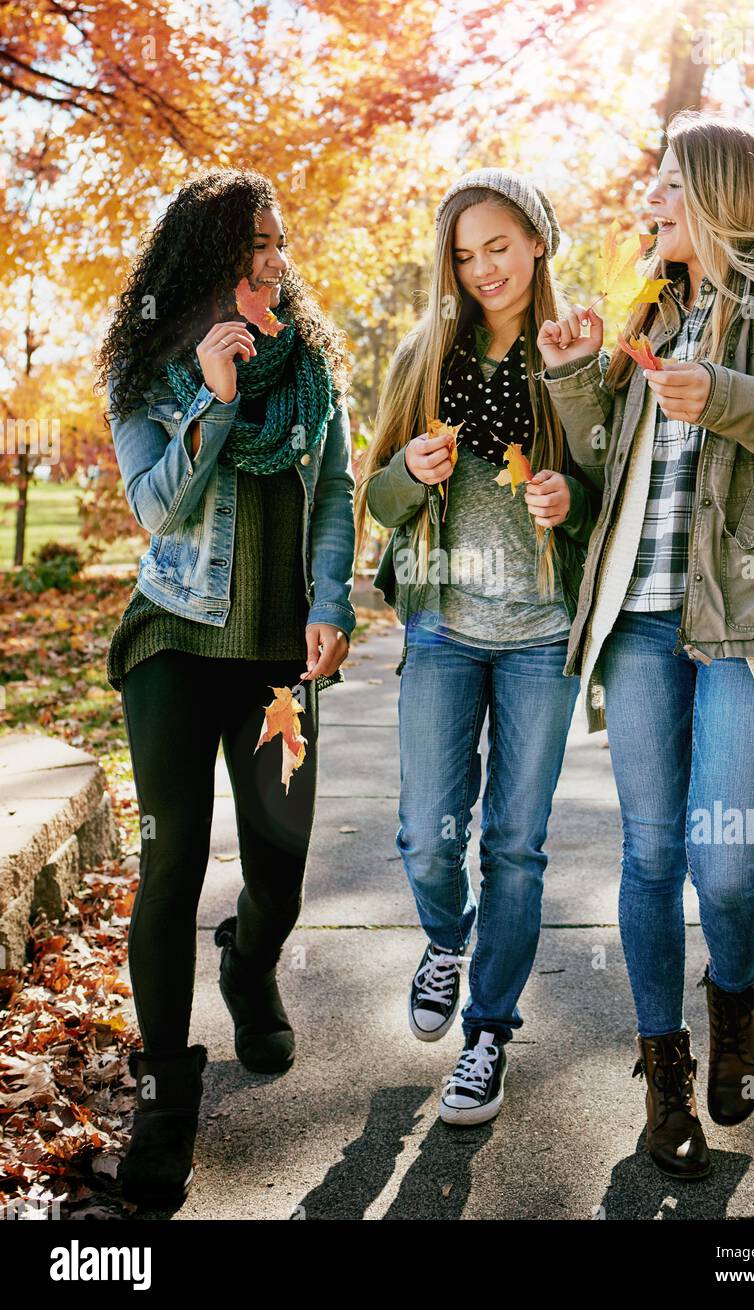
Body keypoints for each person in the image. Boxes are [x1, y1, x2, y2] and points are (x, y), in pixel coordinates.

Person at [537, 111, 754, 1178]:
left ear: (714, 190)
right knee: (652, 855)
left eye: (666, 181)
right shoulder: (658, 304)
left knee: (726, 861)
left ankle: (733, 1000)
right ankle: (663, 1078)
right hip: (644, 620)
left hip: (753, 618)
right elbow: (608, 469)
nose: (649, 198)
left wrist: (728, 399)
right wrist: (571, 378)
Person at [97, 169, 356, 1206]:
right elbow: (156, 511)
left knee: (282, 858)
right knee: (169, 859)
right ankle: (164, 1098)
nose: (275, 260)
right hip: (173, 647)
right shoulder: (149, 374)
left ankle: (248, 963)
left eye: (279, 242)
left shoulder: (311, 373)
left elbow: (333, 494)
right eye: (256, 243)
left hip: (275, 669)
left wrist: (329, 600)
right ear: (208, 258)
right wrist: (212, 398)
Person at [354, 168, 599, 1126]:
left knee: (517, 845)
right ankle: (445, 939)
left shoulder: (573, 352)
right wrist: (410, 474)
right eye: (464, 253)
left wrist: (568, 502)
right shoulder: (427, 353)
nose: (484, 268)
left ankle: (489, 1031)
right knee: (425, 835)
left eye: (499, 245)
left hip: (542, 634)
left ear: (537, 239)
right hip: (444, 626)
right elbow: (373, 498)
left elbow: (612, 485)